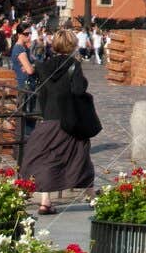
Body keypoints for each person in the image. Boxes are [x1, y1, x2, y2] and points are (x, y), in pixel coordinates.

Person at [23, 29, 96, 214]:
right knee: (80, 155)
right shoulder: (73, 65)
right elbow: (79, 90)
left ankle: (45, 201)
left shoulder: (43, 66)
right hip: (68, 119)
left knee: (46, 159)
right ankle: (92, 198)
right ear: (71, 46)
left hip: (48, 120)